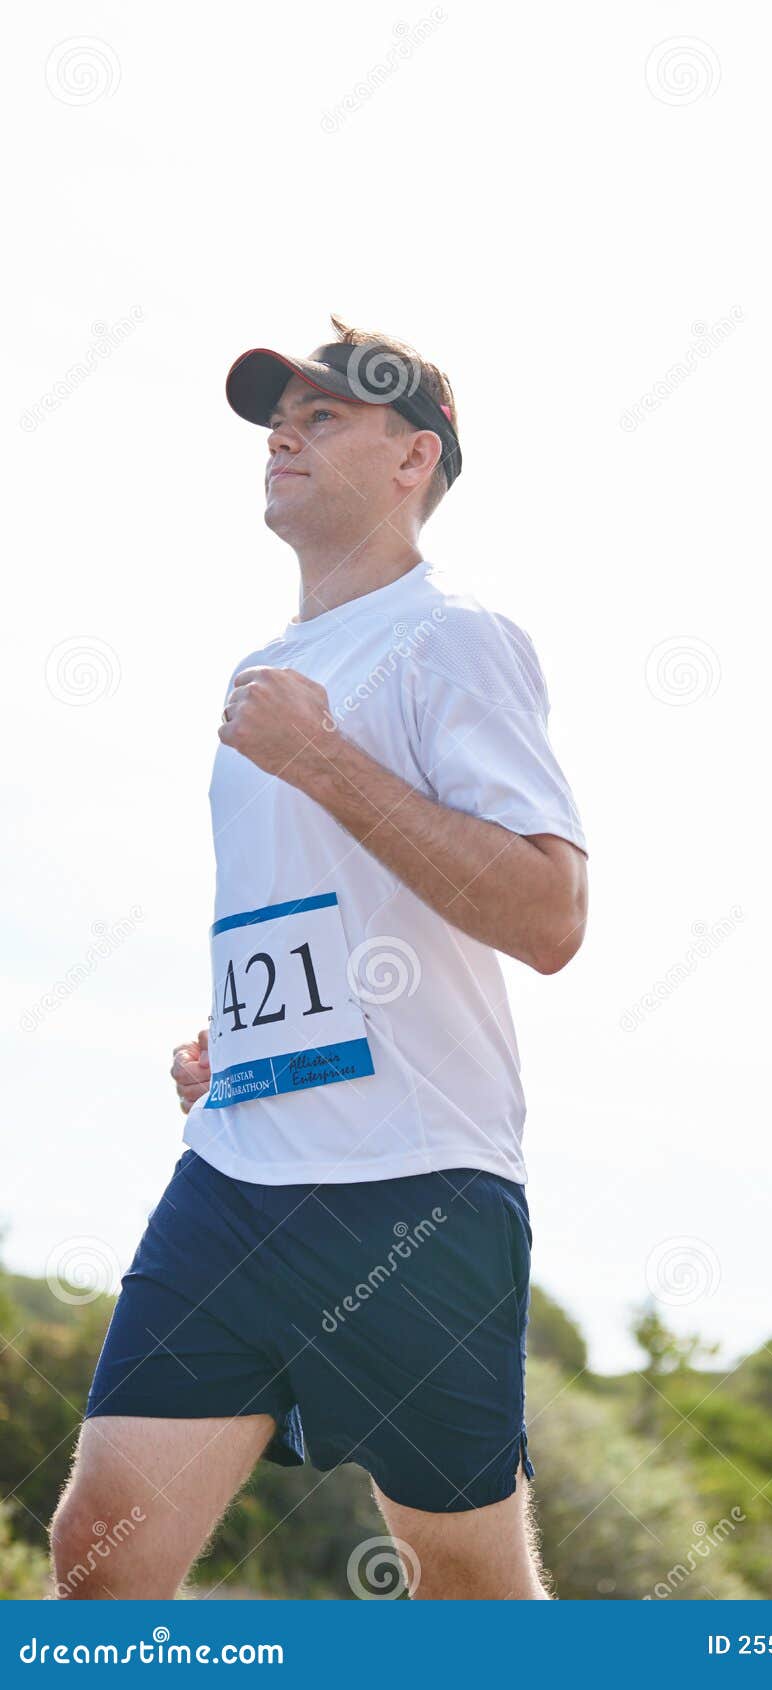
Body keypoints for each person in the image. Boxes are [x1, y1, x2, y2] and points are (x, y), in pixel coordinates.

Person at [49, 320, 588, 1600]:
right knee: (99, 1555)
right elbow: (323, 922)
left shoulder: (454, 636)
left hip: (411, 1191)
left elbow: (550, 915)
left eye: (325, 415)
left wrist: (324, 759)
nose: (284, 433)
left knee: (463, 1594)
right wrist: (245, 1050)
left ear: (415, 458)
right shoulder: (264, 673)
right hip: (236, 1175)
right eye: (277, 417)